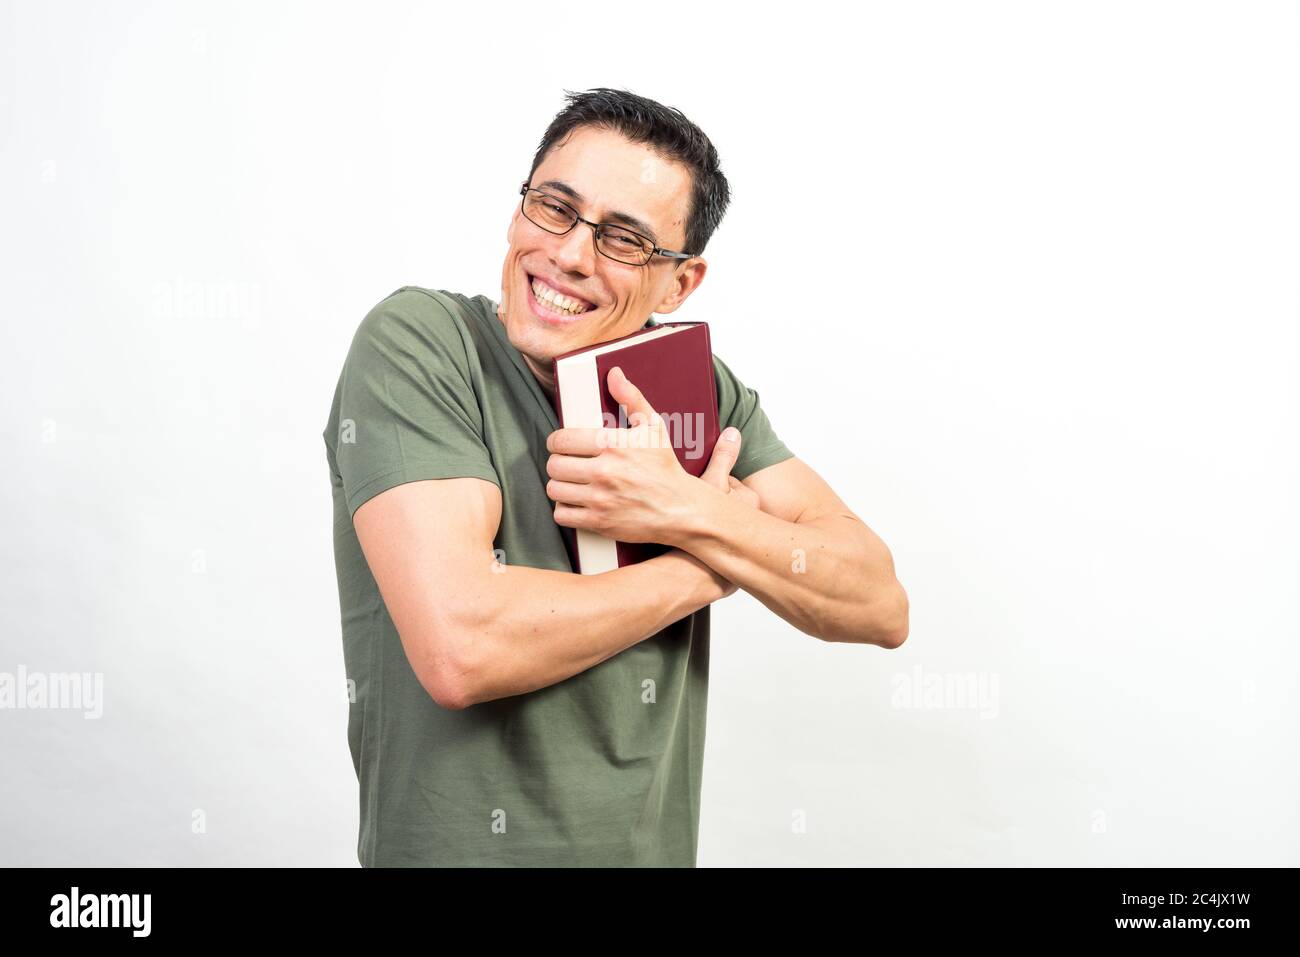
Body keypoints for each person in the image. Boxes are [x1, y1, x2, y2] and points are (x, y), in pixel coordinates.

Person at [322, 88, 909, 867]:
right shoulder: (423, 344)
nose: (569, 255)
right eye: (554, 208)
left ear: (679, 286)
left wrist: (685, 509)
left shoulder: (698, 392)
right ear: (517, 210)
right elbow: (463, 647)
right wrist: (703, 557)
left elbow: (878, 601)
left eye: (625, 240)